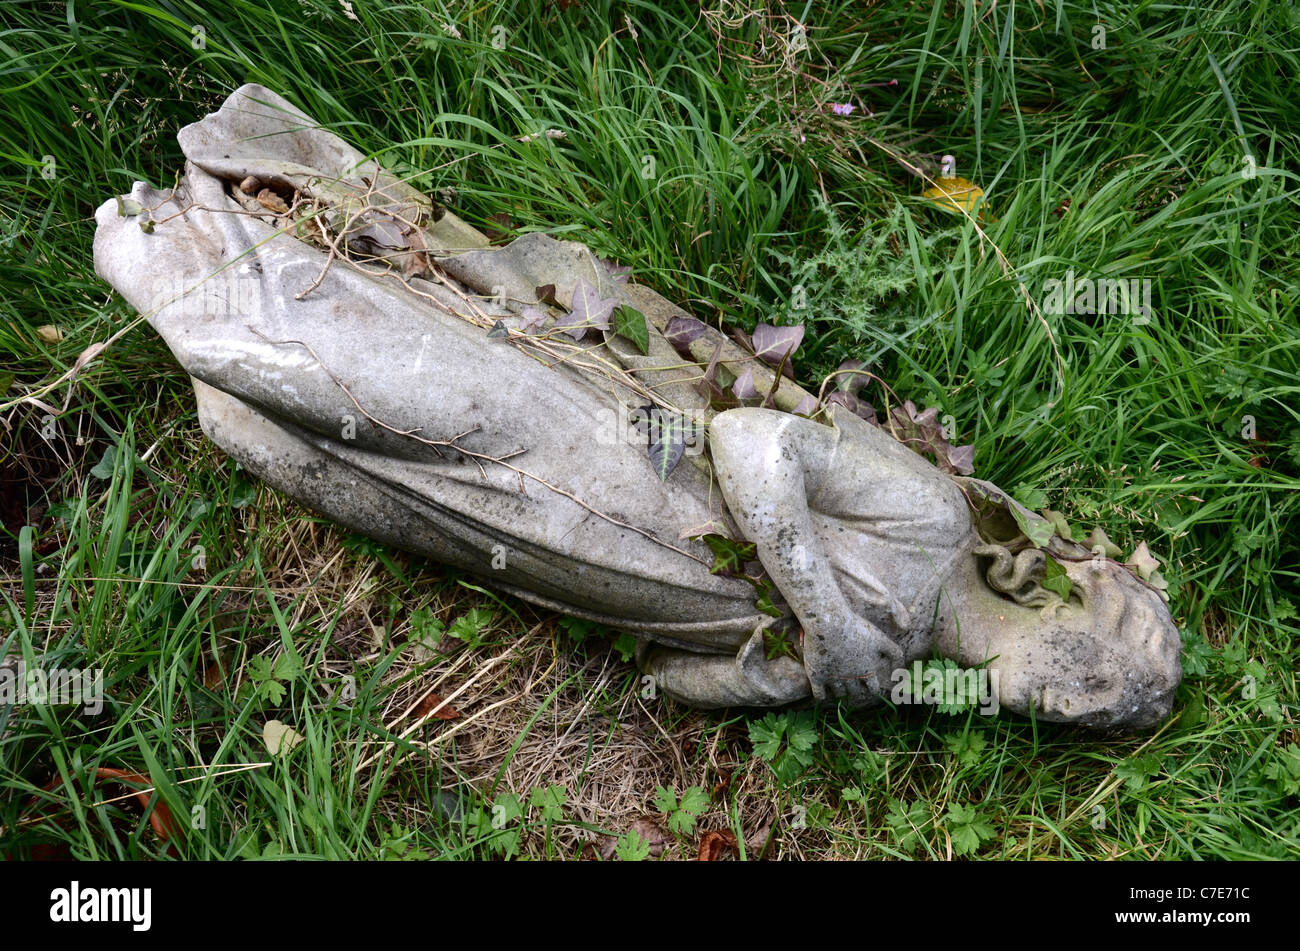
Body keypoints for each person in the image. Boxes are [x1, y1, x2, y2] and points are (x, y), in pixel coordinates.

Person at [92, 85, 1181, 728]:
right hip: (627, 454)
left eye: (1113, 701)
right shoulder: (937, 525)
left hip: (586, 557)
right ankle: (181, 240)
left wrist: (805, 678)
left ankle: (219, 353)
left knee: (304, 454)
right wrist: (830, 615)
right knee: (357, 378)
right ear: (1070, 592)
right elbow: (752, 445)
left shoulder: (887, 670)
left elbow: (673, 678)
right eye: (1129, 645)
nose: (1110, 688)